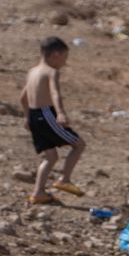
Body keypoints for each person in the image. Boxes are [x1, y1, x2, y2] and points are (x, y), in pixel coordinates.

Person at [20, 37, 87, 204]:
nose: (65, 62)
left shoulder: (32, 72)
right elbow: (55, 93)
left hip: (34, 115)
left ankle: (38, 193)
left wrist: (27, 117)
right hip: (46, 114)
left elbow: (23, 97)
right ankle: (64, 180)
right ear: (56, 55)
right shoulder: (51, 72)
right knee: (79, 145)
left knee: (50, 157)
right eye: (65, 57)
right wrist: (60, 113)